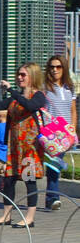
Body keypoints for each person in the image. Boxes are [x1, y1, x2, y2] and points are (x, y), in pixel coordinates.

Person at [0, 62, 47, 228]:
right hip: (14, 146)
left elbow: (30, 106)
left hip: (29, 147)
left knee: (29, 180)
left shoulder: (38, 95)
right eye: (18, 74)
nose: (19, 77)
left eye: (23, 75)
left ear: (33, 76)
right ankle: (6, 215)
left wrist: (11, 90)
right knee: (8, 181)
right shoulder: (14, 98)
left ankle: (30, 217)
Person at [43, 56, 76, 210]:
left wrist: (73, 130)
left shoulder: (70, 88)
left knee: (55, 165)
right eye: (51, 67)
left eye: (58, 67)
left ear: (64, 68)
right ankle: (52, 198)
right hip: (51, 134)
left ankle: (51, 197)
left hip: (65, 133)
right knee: (54, 165)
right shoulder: (45, 88)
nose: (54, 70)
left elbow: (73, 110)